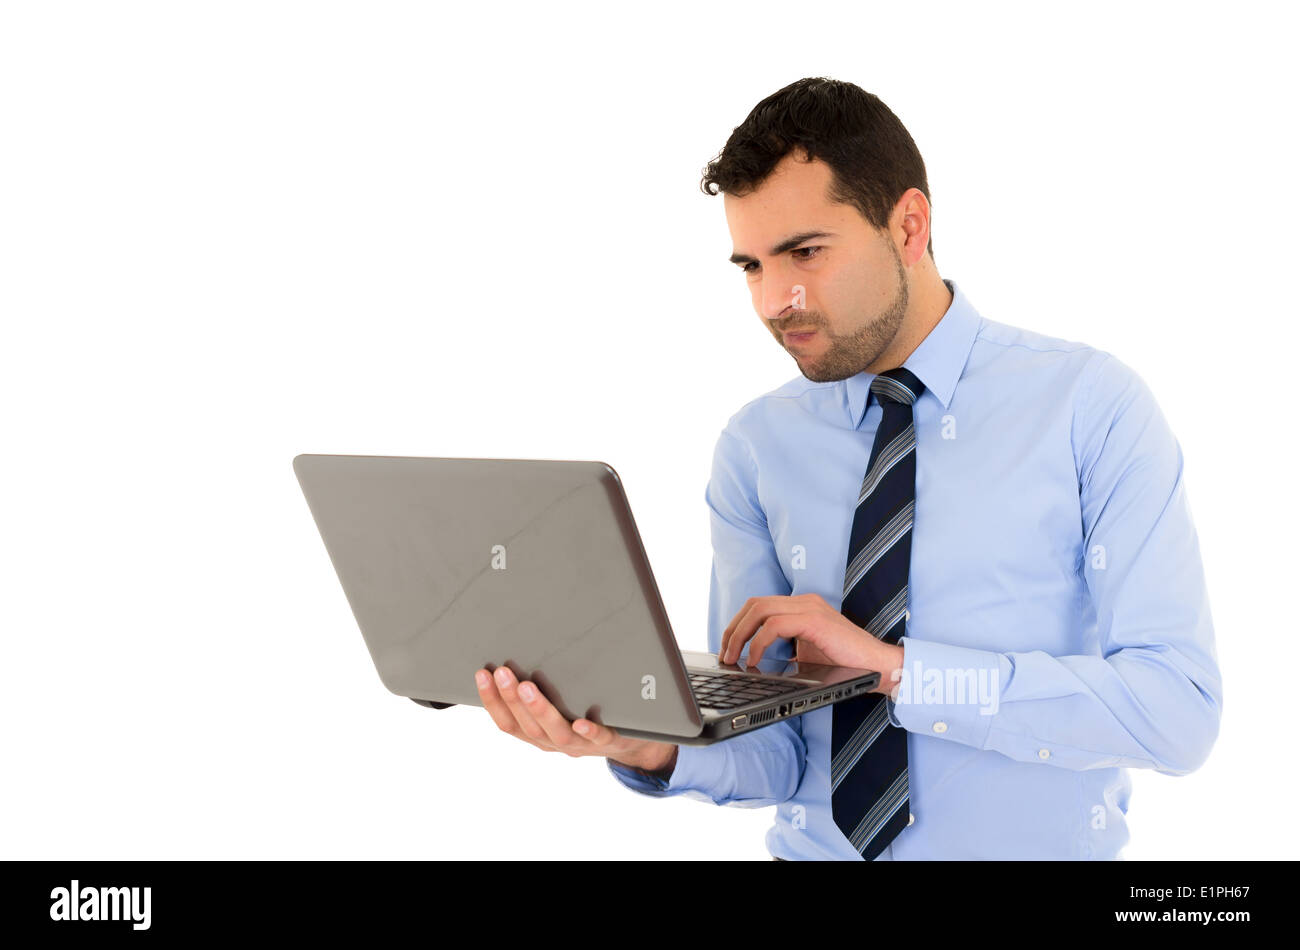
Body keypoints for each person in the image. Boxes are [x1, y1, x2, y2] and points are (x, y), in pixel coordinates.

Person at [472, 77, 1222, 860]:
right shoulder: (758, 447)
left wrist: (901, 672)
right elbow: (781, 751)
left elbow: (1177, 712)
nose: (774, 300)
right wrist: (646, 745)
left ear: (908, 226)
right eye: (751, 266)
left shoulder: (1088, 407)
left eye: (804, 252)